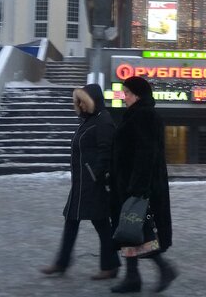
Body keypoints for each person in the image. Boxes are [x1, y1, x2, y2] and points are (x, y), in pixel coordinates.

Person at [41, 84, 119, 280]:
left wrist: (98, 175)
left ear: (92, 100)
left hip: (93, 183)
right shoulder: (88, 120)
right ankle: (62, 262)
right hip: (81, 183)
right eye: (78, 102)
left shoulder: (103, 121)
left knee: (101, 224)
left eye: (82, 101)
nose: (79, 105)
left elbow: (106, 150)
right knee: (72, 221)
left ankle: (109, 266)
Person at [110, 76, 177, 294]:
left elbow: (146, 154)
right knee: (129, 232)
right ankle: (132, 277)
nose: (124, 97)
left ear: (137, 95)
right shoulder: (136, 115)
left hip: (137, 188)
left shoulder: (144, 116)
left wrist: (137, 188)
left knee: (139, 230)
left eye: (127, 93)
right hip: (128, 184)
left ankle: (163, 269)